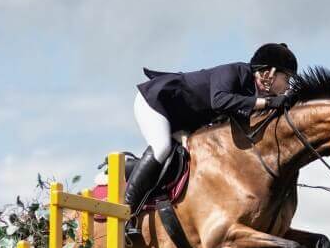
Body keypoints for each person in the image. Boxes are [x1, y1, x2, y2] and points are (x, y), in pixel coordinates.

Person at [126, 43, 299, 236]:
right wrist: (268, 102)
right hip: (156, 102)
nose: (287, 86)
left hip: (183, 121)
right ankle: (127, 210)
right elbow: (219, 101)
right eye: (287, 78)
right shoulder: (235, 72)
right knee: (162, 147)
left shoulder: (254, 93)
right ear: (270, 73)